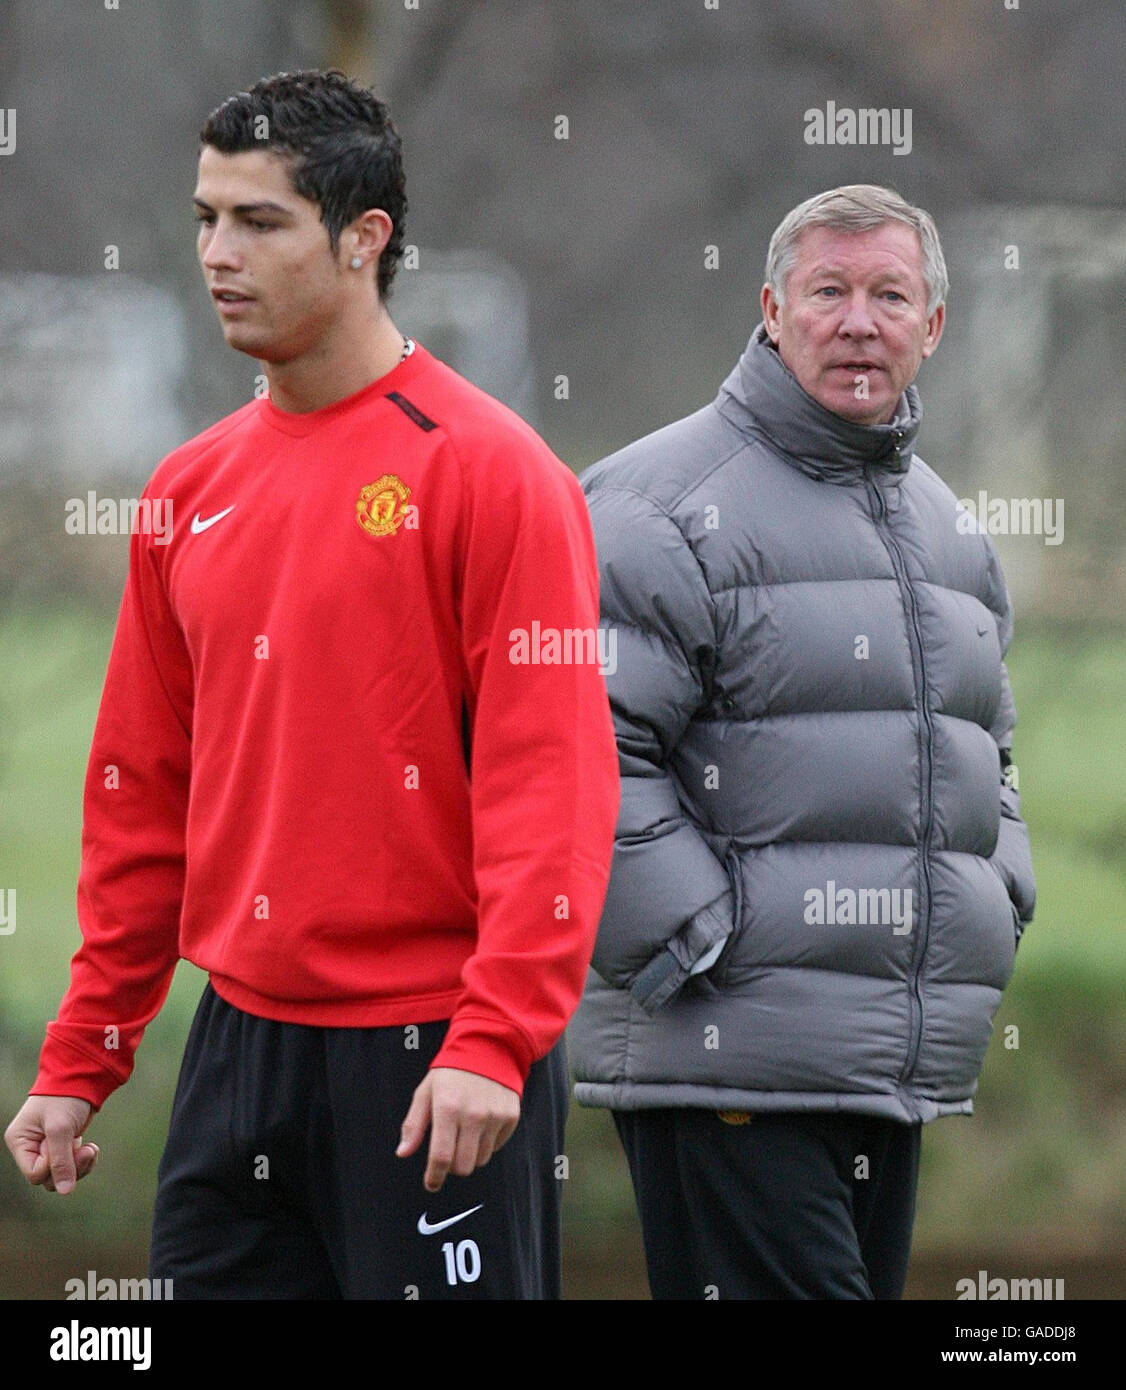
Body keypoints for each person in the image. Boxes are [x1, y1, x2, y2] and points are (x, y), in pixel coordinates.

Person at [5, 69, 619, 1300]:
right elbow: (141, 792)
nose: (217, 254)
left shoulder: (497, 476)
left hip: (431, 1057)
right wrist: (87, 1051)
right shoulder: (184, 489)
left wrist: (495, 1041)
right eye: (204, 218)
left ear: (363, 239)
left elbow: (550, 790)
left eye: (260, 221)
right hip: (237, 1051)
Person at [570, 184, 1036, 1300]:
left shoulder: (948, 529)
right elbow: (578, 750)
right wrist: (703, 946)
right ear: (772, 311)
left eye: (889, 295)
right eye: (828, 292)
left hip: (888, 1066)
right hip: (729, 1063)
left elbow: (989, 754)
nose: (857, 321)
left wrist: (998, 895)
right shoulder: (656, 505)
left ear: (931, 328)